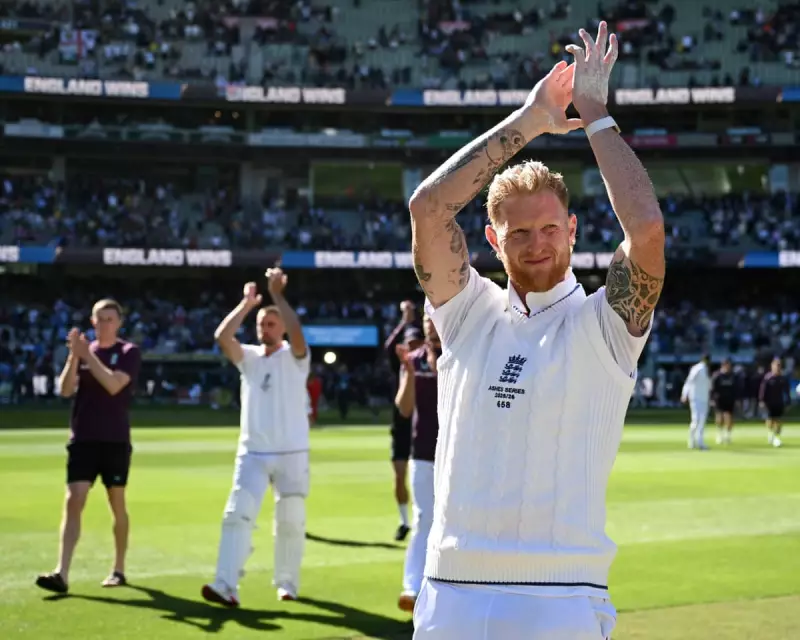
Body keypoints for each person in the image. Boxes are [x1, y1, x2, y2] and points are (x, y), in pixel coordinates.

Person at [406, 22, 664, 639]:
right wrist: (530, 119)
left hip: (563, 598)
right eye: (518, 233)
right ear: (493, 240)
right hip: (451, 592)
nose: (537, 244)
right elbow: (428, 209)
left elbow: (647, 231)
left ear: (572, 230)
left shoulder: (606, 323)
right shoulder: (468, 312)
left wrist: (595, 114)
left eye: (550, 229)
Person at [202, 268, 310, 606]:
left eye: (271, 323)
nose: (265, 328)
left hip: (292, 452)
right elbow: (223, 337)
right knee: (237, 515)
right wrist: (247, 304)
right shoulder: (248, 357)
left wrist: (278, 296)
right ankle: (225, 584)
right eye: (262, 324)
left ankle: (287, 584)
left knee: (290, 520)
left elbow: (297, 332)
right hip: (253, 452)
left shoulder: (295, 358)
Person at [35, 299, 141, 594]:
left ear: (119, 322)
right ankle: (62, 572)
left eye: (110, 318)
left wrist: (88, 357)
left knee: (116, 502)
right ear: (93, 322)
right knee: (73, 500)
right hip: (83, 437)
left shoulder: (128, 353)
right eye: (100, 319)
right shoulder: (83, 352)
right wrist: (73, 357)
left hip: (114, 439)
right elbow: (66, 390)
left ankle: (118, 569)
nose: (105, 323)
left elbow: (113, 384)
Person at [394, 315, 441, 613]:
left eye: (435, 316)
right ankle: (412, 588)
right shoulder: (412, 359)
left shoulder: (462, 350)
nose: (430, 323)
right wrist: (409, 372)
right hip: (423, 452)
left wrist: (438, 353)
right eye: (426, 318)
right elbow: (404, 407)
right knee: (424, 519)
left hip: (458, 452)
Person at [384, 301, 422, 540]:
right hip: (401, 423)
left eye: (415, 342)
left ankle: (422, 519)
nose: (411, 347)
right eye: (408, 343)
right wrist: (404, 322)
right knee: (399, 474)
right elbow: (388, 347)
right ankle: (404, 521)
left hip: (424, 423)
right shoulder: (398, 364)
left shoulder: (431, 360)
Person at [681, 354, 711, 450]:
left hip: (704, 398)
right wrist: (685, 394)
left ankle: (700, 441)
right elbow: (689, 381)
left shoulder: (706, 370)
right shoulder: (697, 368)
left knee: (702, 421)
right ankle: (691, 441)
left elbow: (708, 385)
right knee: (696, 419)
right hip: (696, 397)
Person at [759, 357, 791, 448]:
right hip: (769, 403)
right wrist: (761, 400)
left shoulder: (783, 378)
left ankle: (776, 437)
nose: (777, 367)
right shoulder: (768, 378)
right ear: (772, 366)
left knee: (778, 421)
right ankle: (771, 435)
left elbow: (787, 391)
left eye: (779, 365)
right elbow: (763, 390)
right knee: (770, 420)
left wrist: (788, 402)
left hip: (779, 402)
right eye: (776, 365)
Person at [711, 358, 738, 444]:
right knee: (719, 417)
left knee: (729, 417)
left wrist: (737, 398)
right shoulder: (717, 375)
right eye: (726, 364)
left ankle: (728, 435)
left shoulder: (733, 375)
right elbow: (712, 389)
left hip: (730, 399)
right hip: (719, 399)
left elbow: (736, 388)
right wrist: (712, 399)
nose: (728, 366)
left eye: (729, 365)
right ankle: (719, 434)